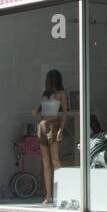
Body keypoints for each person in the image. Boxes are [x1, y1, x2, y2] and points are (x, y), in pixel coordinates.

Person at [33, 69, 70, 204]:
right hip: (42, 125)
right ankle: (48, 196)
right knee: (45, 162)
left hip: (53, 124)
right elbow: (40, 109)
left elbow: (65, 112)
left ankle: (62, 191)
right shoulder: (45, 94)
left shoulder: (61, 93)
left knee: (55, 160)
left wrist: (61, 129)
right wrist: (36, 110)